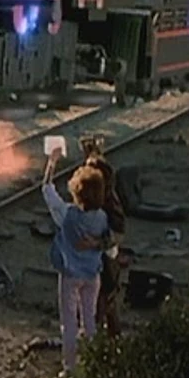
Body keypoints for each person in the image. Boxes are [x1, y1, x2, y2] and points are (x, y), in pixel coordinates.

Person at [41, 149, 109, 373]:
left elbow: (47, 190)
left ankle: (70, 367)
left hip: (70, 275)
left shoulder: (67, 214)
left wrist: (51, 163)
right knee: (89, 320)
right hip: (93, 274)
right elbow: (109, 243)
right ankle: (93, 365)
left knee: (69, 322)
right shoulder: (102, 218)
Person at [79, 137, 127, 338]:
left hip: (105, 261)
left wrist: (96, 243)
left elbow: (118, 233)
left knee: (103, 301)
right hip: (91, 261)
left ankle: (99, 341)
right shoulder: (93, 200)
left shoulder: (109, 205)